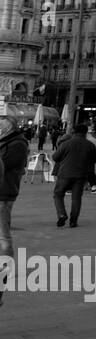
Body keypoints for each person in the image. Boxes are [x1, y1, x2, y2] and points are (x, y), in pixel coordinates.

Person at [0, 116, 28, 306]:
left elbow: (5, 164)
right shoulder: (9, 141)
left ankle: (5, 264)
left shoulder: (17, 144)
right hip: (3, 189)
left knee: (3, 234)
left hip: (4, 192)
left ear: (7, 128)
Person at [51, 123, 96, 228]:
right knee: (76, 198)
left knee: (58, 194)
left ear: (73, 132)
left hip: (65, 173)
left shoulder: (66, 143)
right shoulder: (89, 145)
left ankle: (62, 214)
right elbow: (94, 159)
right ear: (86, 132)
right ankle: (73, 221)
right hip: (81, 174)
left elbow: (55, 157)